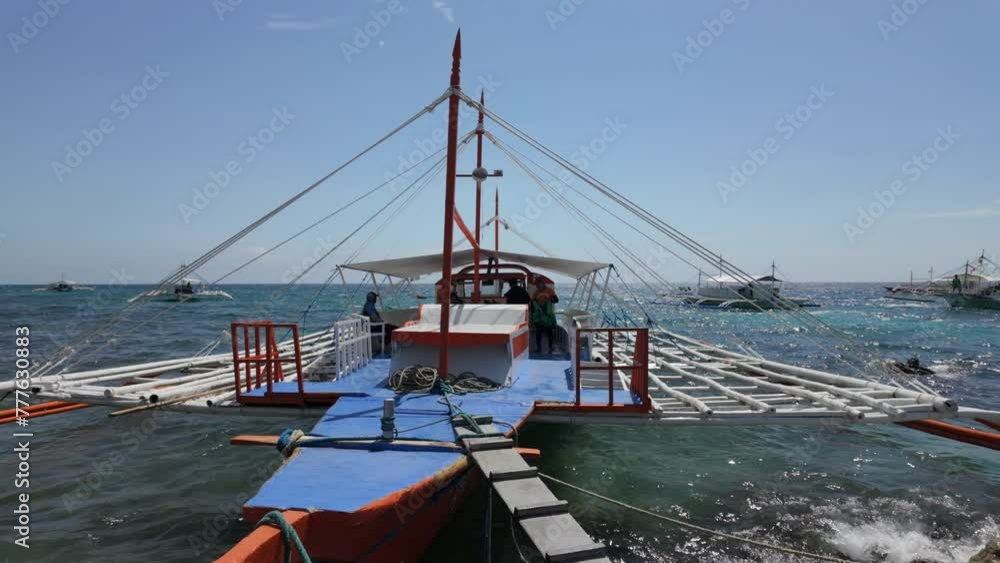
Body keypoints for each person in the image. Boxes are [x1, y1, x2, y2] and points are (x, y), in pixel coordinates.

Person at [530, 279, 559, 354]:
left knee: (550, 332)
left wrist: (549, 299)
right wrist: (532, 317)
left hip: (548, 315)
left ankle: (550, 346)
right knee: (538, 332)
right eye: (536, 285)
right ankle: (539, 347)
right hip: (539, 316)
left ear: (542, 283)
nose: (537, 286)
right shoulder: (535, 293)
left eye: (538, 284)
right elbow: (533, 305)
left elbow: (556, 300)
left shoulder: (550, 291)